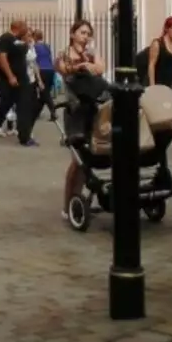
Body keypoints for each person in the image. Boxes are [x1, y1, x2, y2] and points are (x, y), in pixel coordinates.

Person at [57, 20, 105, 220]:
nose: (85, 36)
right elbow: (64, 68)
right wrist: (84, 66)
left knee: (90, 157)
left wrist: (88, 63)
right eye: (82, 32)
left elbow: (100, 69)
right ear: (72, 34)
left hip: (92, 110)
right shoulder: (64, 53)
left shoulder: (91, 53)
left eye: (88, 33)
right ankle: (68, 204)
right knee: (77, 160)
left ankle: (83, 200)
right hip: (74, 110)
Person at [0, 19, 36, 147]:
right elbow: (2, 58)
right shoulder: (6, 38)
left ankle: (25, 137)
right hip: (7, 81)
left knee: (24, 107)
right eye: (25, 26)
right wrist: (10, 76)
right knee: (5, 106)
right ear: (17, 27)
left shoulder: (20, 40)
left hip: (22, 80)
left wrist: (27, 41)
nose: (27, 28)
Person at [144, 18, 172, 89]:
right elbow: (151, 65)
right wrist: (152, 86)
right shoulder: (157, 43)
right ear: (166, 29)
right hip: (158, 82)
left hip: (170, 84)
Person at [31, 30, 57, 123]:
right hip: (50, 70)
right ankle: (36, 113)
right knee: (43, 94)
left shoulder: (34, 47)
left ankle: (53, 111)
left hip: (42, 70)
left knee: (44, 92)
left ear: (35, 37)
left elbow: (34, 60)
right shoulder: (47, 46)